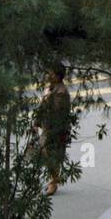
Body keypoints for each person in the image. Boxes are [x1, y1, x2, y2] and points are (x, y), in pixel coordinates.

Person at [37, 63, 72, 195]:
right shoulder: (50, 88)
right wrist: (36, 122)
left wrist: (47, 98)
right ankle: (54, 179)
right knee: (46, 152)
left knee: (51, 153)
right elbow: (42, 106)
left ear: (58, 76)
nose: (48, 75)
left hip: (56, 128)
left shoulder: (61, 92)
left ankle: (54, 182)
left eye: (51, 73)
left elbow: (56, 111)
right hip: (48, 127)